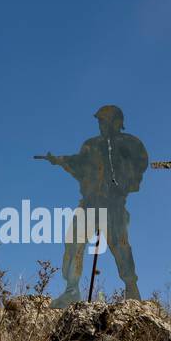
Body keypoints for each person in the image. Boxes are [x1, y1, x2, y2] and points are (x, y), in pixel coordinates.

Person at [37, 105, 147, 307]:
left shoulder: (129, 143)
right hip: (89, 204)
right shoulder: (91, 145)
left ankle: (131, 287)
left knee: (120, 246)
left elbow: (141, 164)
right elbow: (78, 163)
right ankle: (71, 290)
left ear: (116, 122)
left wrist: (124, 182)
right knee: (73, 242)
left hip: (113, 205)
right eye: (99, 122)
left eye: (104, 121)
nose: (101, 125)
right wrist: (58, 160)